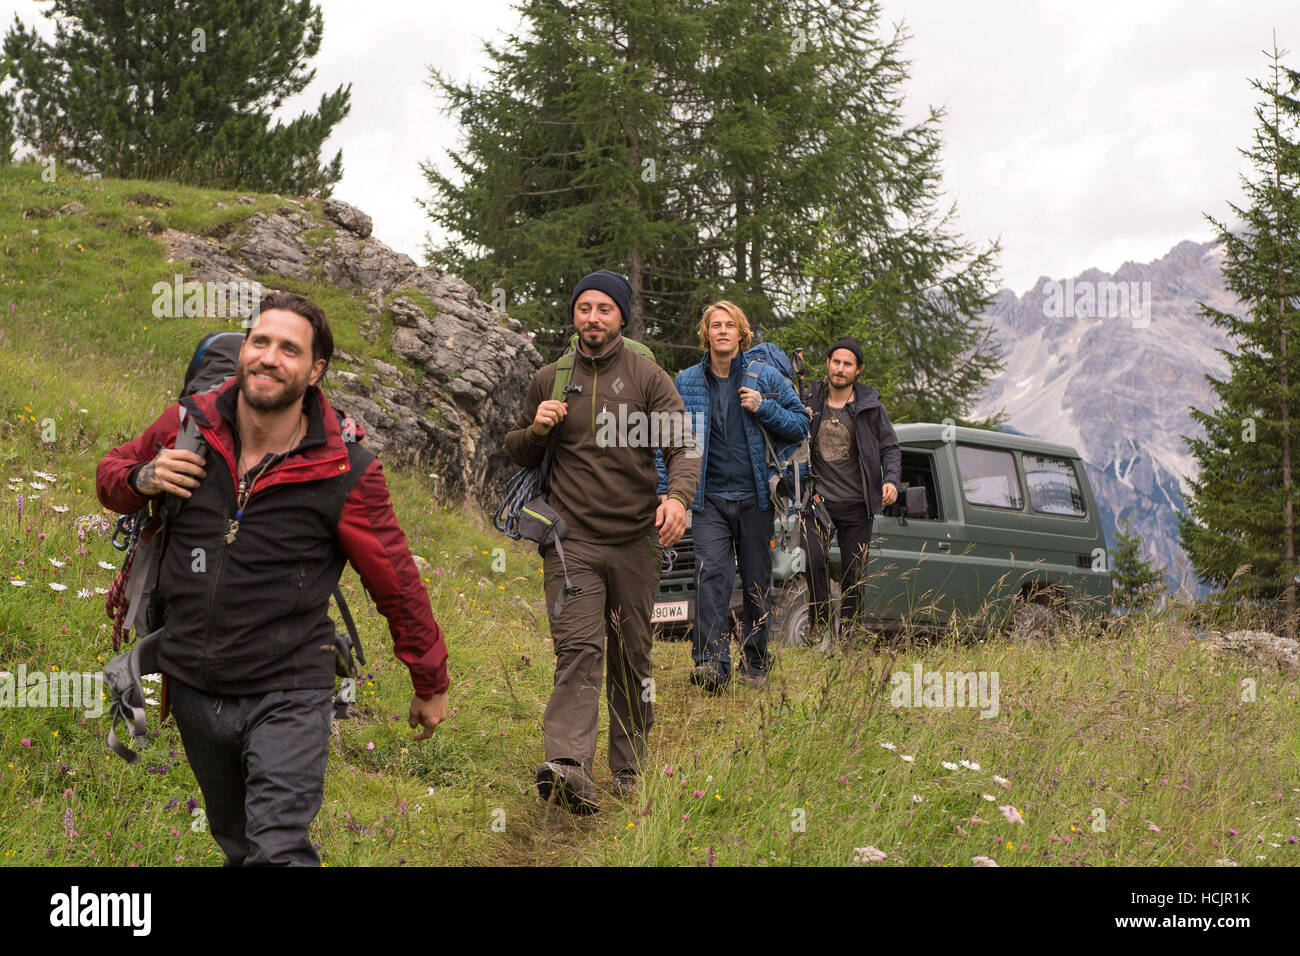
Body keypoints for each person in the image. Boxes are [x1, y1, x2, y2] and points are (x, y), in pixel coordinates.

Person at [96, 292, 450, 866]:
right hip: (191, 683)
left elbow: (396, 578)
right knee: (237, 845)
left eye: (290, 349)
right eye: (260, 341)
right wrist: (145, 474)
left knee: (279, 849)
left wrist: (428, 679)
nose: (269, 357)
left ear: (315, 371)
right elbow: (109, 476)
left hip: (288, 687)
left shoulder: (346, 469)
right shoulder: (189, 425)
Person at [504, 270, 699, 812]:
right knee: (580, 650)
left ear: (621, 316)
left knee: (632, 656)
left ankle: (630, 767)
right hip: (571, 543)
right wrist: (537, 430)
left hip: (637, 540)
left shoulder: (647, 377)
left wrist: (678, 499)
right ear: (574, 314)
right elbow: (516, 449)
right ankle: (568, 765)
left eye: (604, 309)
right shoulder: (549, 377)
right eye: (584, 307)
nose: (593, 317)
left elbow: (684, 445)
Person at [667, 301, 809, 693]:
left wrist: (763, 407)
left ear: (741, 334)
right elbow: (670, 439)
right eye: (716, 325)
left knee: (755, 584)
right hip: (708, 497)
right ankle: (712, 662)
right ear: (706, 333)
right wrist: (668, 493)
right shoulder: (686, 381)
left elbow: (800, 424)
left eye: (730, 325)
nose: (723, 331)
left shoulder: (763, 376)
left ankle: (756, 663)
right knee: (710, 575)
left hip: (756, 498)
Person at [802, 336, 900, 646]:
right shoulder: (809, 400)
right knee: (813, 559)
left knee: (853, 574)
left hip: (858, 505)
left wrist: (891, 480)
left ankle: (848, 634)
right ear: (827, 363)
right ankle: (819, 623)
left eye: (848, 364)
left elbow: (890, 448)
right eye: (836, 362)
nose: (840, 369)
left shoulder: (871, 408)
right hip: (817, 500)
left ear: (857, 371)